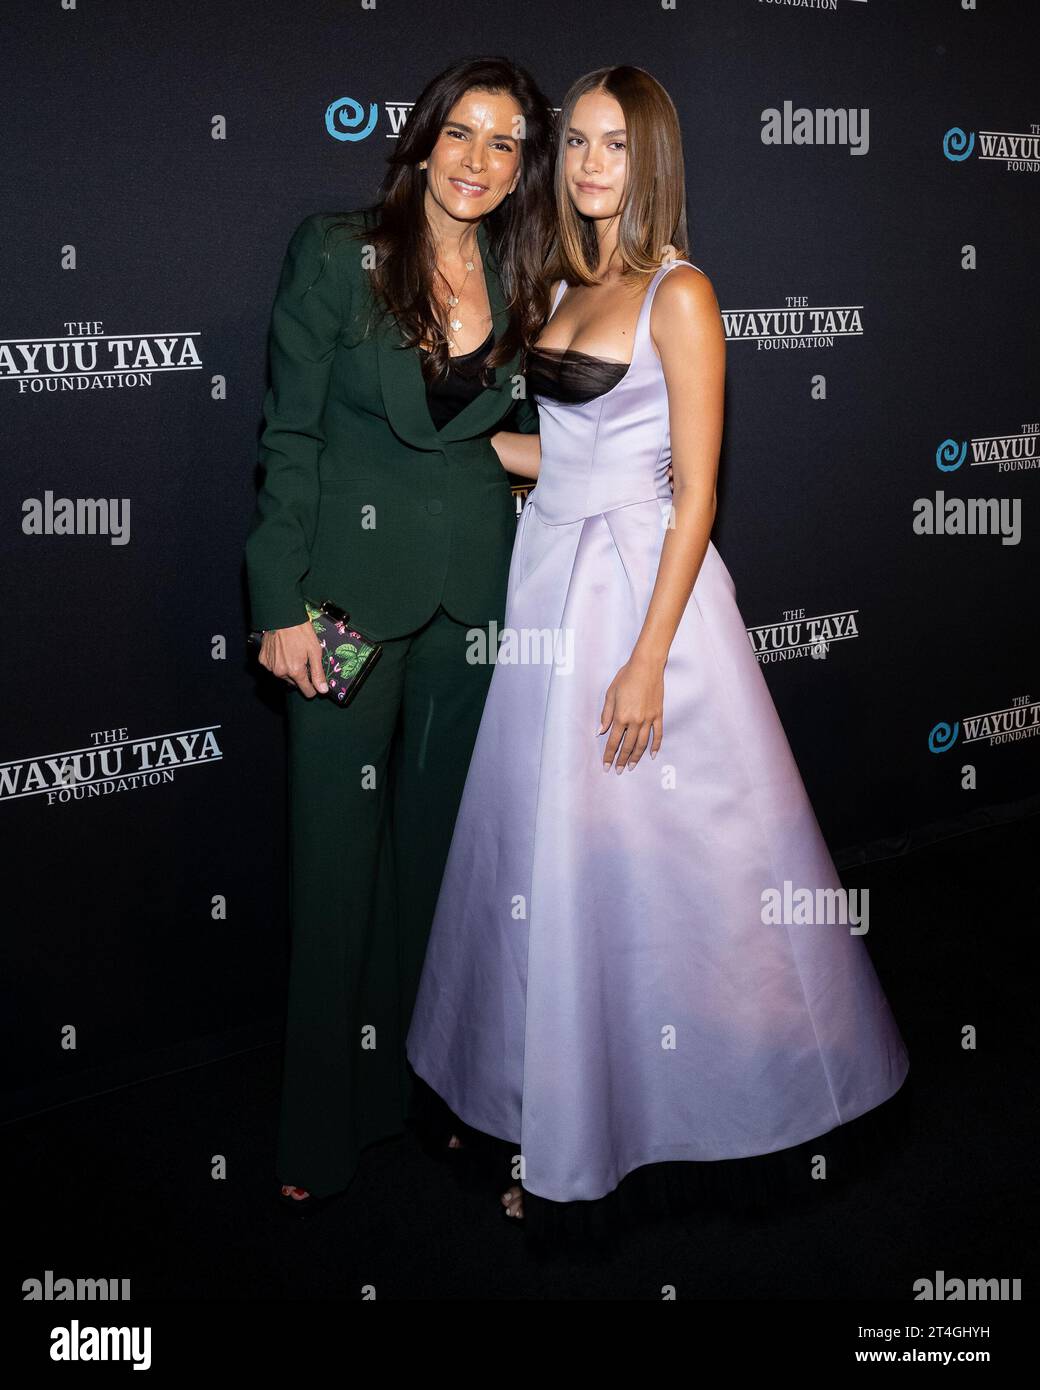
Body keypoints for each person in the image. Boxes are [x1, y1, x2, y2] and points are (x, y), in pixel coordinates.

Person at [405, 65, 911, 1247]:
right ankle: (552, 1106)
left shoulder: (680, 292)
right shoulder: (569, 280)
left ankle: (686, 1103)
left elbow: (691, 493)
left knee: (668, 870)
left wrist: (646, 658)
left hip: (641, 594)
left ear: (652, 163)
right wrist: (441, 460)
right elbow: (562, 455)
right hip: (548, 580)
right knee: (550, 860)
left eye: (612, 147)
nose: (587, 165)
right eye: (575, 143)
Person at [244, 57, 555, 1214]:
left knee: (443, 871)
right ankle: (321, 1127)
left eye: (505, 143)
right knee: (334, 875)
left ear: (523, 166)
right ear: (421, 142)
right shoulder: (337, 252)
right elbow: (289, 436)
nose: (478, 161)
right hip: (342, 610)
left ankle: (437, 1099)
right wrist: (277, 598)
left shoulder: (526, 276)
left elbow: (526, 438)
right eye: (460, 134)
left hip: (471, 606)